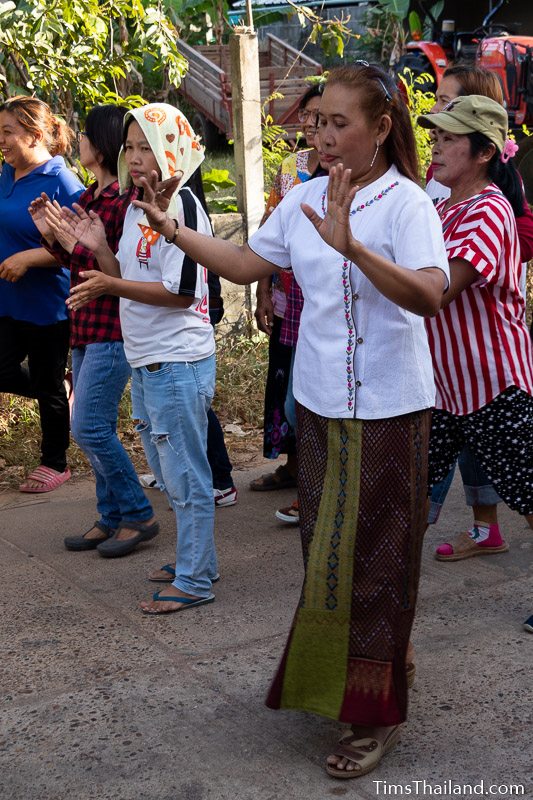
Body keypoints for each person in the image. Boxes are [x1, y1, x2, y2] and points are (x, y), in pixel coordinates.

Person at [121, 64, 450, 778]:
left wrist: (353, 247)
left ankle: (375, 713)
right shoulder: (301, 198)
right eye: (318, 121)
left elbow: (429, 295)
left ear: (381, 128)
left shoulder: (407, 204)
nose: (322, 135)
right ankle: (372, 666)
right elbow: (244, 264)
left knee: (379, 559)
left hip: (392, 411)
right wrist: (172, 231)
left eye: (339, 123)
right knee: (326, 555)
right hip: (320, 406)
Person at [59, 103, 218, 613]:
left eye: (146, 146)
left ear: (173, 149)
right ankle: (195, 560)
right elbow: (125, 275)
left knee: (187, 476)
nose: (134, 157)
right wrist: (99, 249)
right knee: (170, 475)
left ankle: (195, 579)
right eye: (129, 147)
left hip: (177, 362)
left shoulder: (182, 205)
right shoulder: (134, 208)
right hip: (146, 359)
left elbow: (181, 293)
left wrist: (110, 284)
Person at [417, 97, 533, 622]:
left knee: (527, 494)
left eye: (449, 139)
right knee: (412, 492)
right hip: (443, 388)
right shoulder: (442, 208)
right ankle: (388, 597)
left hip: (493, 383)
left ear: (485, 152)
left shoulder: (489, 210)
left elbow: (437, 292)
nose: (436, 147)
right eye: (435, 137)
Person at [31, 104, 158, 556]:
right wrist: (52, 236)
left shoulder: (124, 203)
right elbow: (77, 261)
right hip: (85, 327)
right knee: (92, 425)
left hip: (114, 329)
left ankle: (138, 513)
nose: (78, 140)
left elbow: (121, 271)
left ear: (100, 147)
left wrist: (86, 246)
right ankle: (110, 517)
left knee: (88, 426)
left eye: (85, 135)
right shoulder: (89, 198)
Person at [0, 96, 83, 492]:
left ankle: (55, 462)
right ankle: (61, 389)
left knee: (47, 386)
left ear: (34, 135)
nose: (1, 141)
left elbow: (81, 247)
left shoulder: (62, 182)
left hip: (48, 304)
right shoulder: (7, 173)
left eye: (7, 132)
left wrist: (28, 259)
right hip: (7, 298)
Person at [250, 85, 322, 493]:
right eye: (307, 114)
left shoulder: (345, 170)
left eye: (320, 116)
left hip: (319, 298)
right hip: (286, 297)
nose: (311, 123)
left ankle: (315, 477)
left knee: (310, 385)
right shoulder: (291, 167)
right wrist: (263, 290)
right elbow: (269, 231)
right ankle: (295, 466)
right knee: (284, 380)